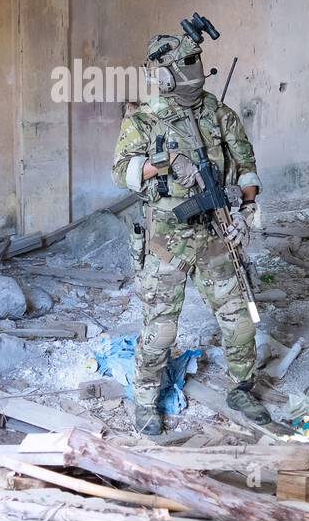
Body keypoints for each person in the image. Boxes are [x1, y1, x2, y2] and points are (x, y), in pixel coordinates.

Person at [111, 31, 270, 435]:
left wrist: (246, 212)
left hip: (216, 236)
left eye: (195, 63)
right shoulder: (143, 119)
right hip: (167, 241)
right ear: (162, 75)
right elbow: (122, 173)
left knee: (241, 322)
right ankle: (146, 401)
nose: (192, 73)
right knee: (161, 329)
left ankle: (242, 388)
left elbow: (247, 167)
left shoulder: (219, 114)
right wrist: (165, 161)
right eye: (183, 66)